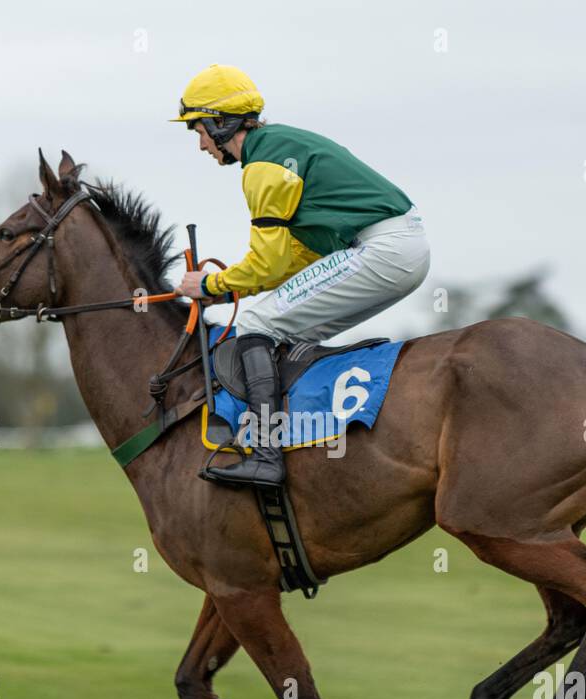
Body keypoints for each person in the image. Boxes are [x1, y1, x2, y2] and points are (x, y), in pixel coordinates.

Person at [172, 64, 431, 488]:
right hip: (396, 247)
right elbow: (295, 260)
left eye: (198, 129)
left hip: (382, 249)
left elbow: (270, 263)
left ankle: (266, 453)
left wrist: (211, 285)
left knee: (256, 323)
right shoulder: (277, 148)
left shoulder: (263, 165)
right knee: (282, 325)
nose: (200, 144)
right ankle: (305, 436)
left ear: (221, 123)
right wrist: (227, 290)